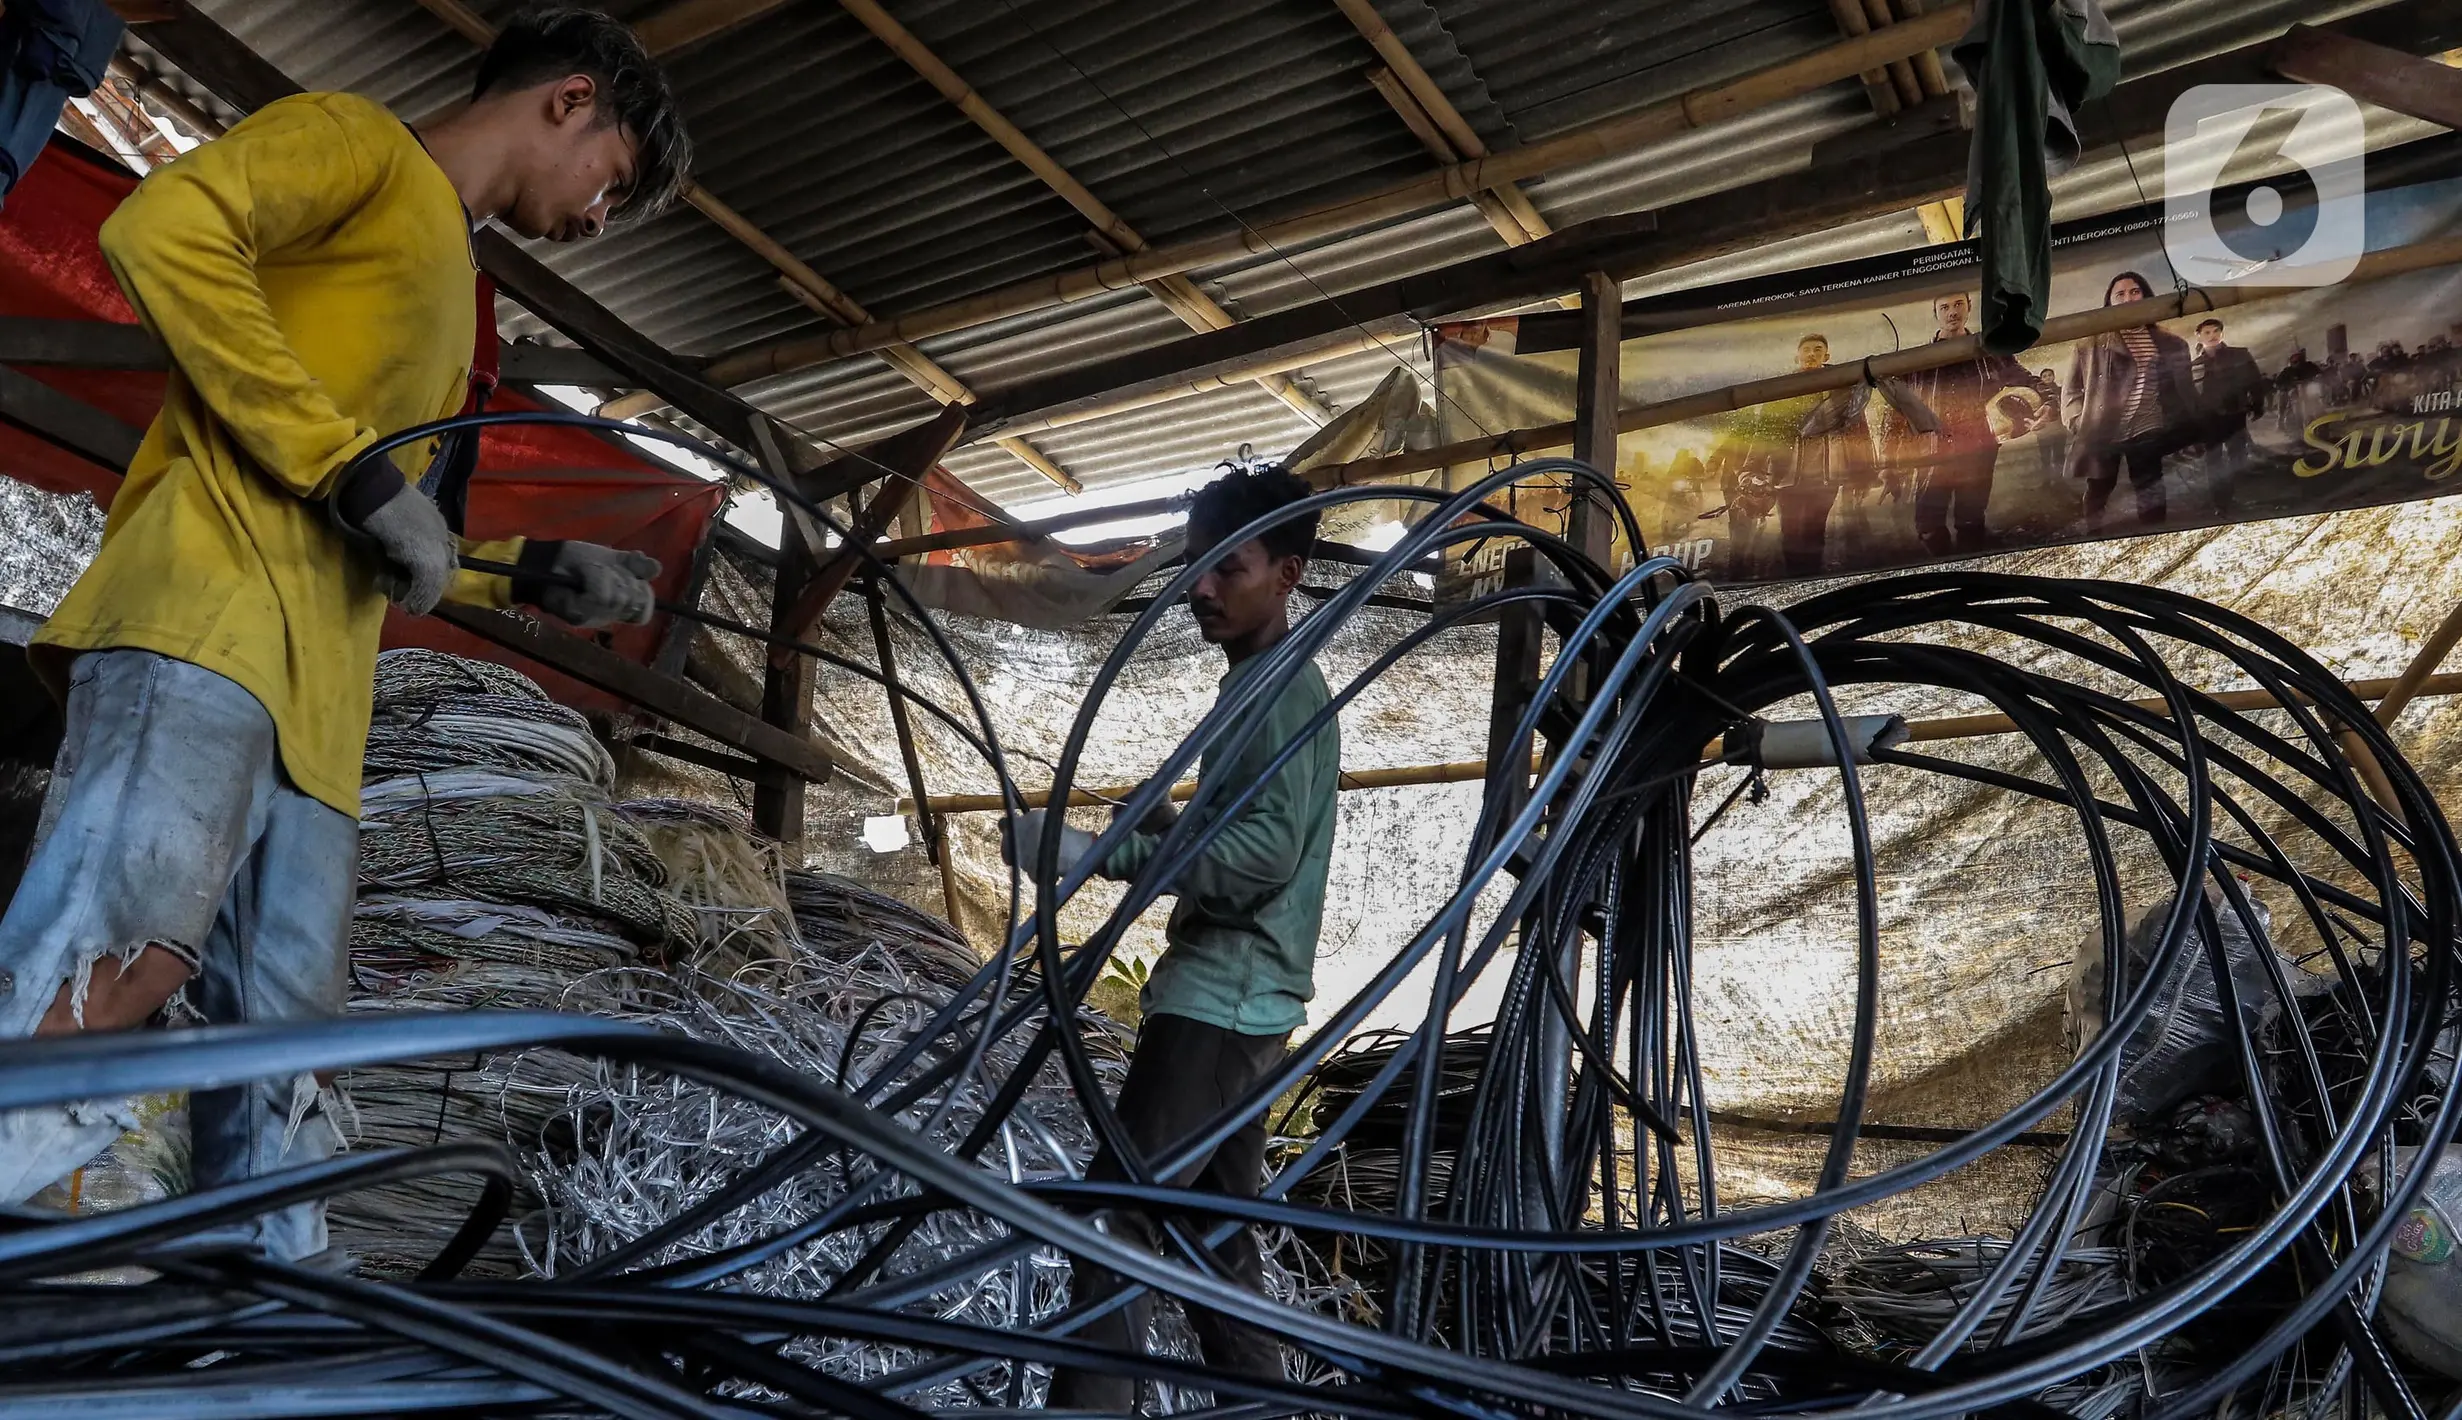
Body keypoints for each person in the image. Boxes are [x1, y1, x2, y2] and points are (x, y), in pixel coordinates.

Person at [0, 9, 691, 1256]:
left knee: (284, 1056)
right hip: (208, 620)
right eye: (615, 183)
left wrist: (530, 570)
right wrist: (351, 474)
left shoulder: (457, 302)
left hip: (318, 716)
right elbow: (160, 227)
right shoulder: (359, 147)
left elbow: (387, 535)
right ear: (569, 100)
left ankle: (270, 1329)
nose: (600, 218)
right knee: (117, 959)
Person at [1013, 465, 1340, 1411]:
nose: (1197, 587)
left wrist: (1096, 854)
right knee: (1211, 1241)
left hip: (1218, 1001)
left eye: (1224, 569)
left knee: (1116, 1231)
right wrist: (1134, 829)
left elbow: (1261, 856)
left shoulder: (1278, 692)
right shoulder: (1260, 685)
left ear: (1286, 574)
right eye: (1195, 566)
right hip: (1247, 1006)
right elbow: (1240, 829)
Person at [1878, 291, 2057, 557]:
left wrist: (2050, 402)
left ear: (1969, 307)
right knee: (1927, 524)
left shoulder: (1991, 352)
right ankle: (1945, 569)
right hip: (1933, 452)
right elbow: (1895, 412)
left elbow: (2029, 380)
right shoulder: (1916, 361)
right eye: (1945, 306)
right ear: (1936, 313)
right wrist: (1889, 462)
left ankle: (1972, 564)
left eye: (1958, 304)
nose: (1952, 311)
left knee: (1971, 519)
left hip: (1978, 447)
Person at [2065, 271, 2195, 532]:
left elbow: (2183, 389)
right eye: (2120, 294)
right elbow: (2070, 390)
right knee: (2099, 489)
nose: (2128, 298)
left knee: (2150, 488)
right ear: (2109, 302)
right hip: (2104, 429)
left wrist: (2188, 424)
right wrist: (2078, 420)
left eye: (2135, 291)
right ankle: (2093, 538)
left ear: (2146, 296)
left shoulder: (2169, 342)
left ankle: (2154, 538)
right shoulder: (2090, 342)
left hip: (2148, 426)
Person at [1770, 333, 1873, 577]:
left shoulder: (1841, 387)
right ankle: (1795, 577)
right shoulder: (1783, 388)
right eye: (1806, 349)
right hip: (1788, 477)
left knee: (1815, 530)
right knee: (1790, 531)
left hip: (1826, 476)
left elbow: (1859, 428)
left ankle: (1811, 575)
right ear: (1797, 356)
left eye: (1817, 349)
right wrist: (1753, 469)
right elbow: (1765, 430)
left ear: (1826, 356)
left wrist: (1865, 472)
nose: (1811, 354)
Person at [2190, 318, 2264, 517]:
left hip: (2234, 415)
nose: (2212, 336)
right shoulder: (2194, 365)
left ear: (2222, 334)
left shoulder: (2239, 355)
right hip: (2209, 420)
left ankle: (2236, 497)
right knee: (2212, 461)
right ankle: (2219, 504)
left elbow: (2255, 381)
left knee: (2236, 457)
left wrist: (2258, 404)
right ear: (2199, 336)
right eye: (2207, 333)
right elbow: (2191, 398)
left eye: (2216, 331)